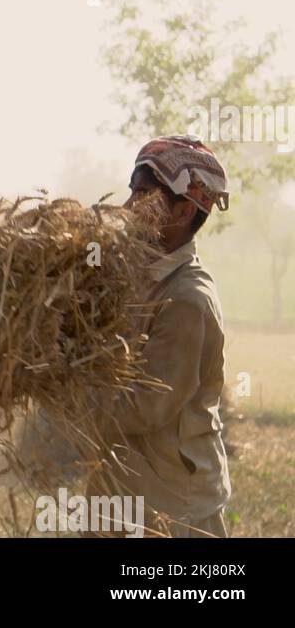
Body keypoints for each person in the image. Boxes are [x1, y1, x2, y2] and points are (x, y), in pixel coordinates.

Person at [91, 135, 232, 537]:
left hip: (171, 508)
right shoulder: (136, 278)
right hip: (121, 493)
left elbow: (145, 407)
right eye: (132, 192)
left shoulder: (188, 299)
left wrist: (64, 388)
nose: (128, 208)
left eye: (143, 196)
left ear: (184, 210)